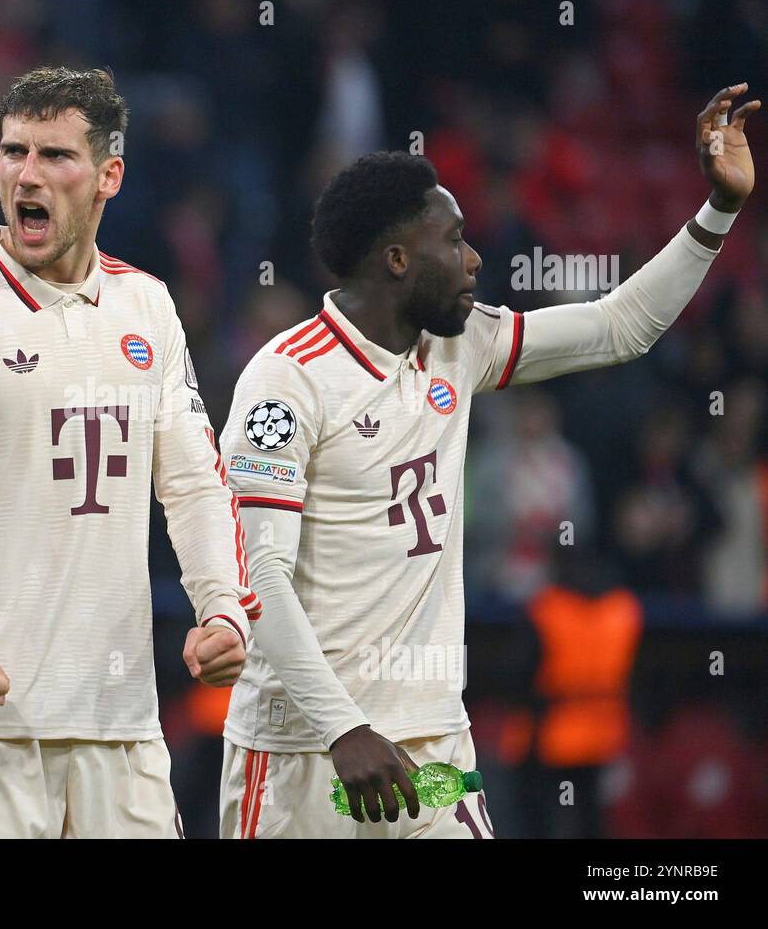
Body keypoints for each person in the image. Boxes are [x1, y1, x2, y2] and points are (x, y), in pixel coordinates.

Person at [219, 85, 758, 838]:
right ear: (399, 258)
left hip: (432, 736)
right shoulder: (287, 381)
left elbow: (620, 328)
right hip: (305, 753)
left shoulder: (458, 344)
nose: (475, 257)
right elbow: (258, 582)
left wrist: (718, 213)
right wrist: (344, 729)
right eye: (455, 239)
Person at [0, 66, 259, 838]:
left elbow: (195, 481)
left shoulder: (148, 306)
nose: (26, 174)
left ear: (108, 176)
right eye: (11, 151)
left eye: (55, 155)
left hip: (121, 729)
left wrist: (224, 605)